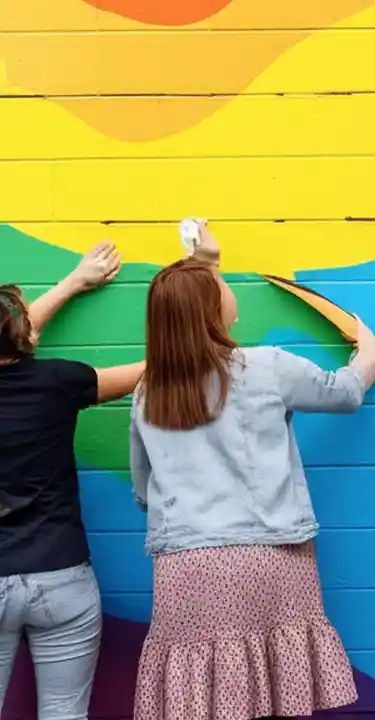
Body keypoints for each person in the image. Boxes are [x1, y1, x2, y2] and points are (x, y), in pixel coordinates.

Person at [129, 222, 375, 720]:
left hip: (186, 570)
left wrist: (206, 259)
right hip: (271, 557)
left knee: (206, 702)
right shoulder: (266, 366)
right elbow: (345, 393)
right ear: (213, 309)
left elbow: (145, 491)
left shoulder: (148, 393)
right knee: (274, 694)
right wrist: (370, 357)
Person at [0, 244, 145, 720]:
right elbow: (144, 374)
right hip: (61, 577)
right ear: (23, 335)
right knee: (65, 713)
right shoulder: (59, 382)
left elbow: (15, 336)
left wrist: (72, 283)